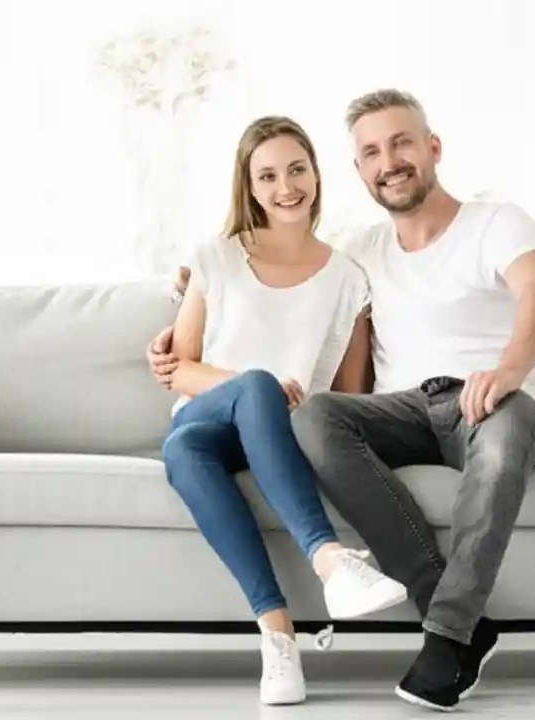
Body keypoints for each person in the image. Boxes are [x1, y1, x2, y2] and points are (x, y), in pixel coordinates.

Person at [149, 91, 535, 712]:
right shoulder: (363, 252)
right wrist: (188, 285)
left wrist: (509, 373)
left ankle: (448, 636)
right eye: (371, 152)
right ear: (356, 170)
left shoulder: (497, 222)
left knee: (501, 439)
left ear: (433, 147)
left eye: (401, 143)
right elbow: (271, 265)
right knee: (316, 415)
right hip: (409, 410)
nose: (388, 162)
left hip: (502, 403)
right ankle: (425, 605)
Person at [156, 115, 410, 706]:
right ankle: (330, 563)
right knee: (235, 403)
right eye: (267, 176)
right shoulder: (215, 257)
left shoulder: (347, 278)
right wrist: (258, 385)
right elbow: (180, 369)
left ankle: (278, 641)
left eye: (297, 170)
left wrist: (291, 403)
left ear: (316, 175)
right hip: (210, 416)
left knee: (186, 450)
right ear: (249, 187)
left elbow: (350, 394)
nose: (286, 187)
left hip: (279, 434)